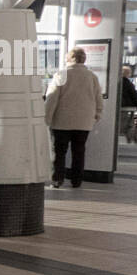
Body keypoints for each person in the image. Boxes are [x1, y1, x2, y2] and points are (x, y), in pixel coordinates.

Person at [44, 46, 103, 187]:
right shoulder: (92, 77)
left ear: (69, 58)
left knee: (59, 151)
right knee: (79, 151)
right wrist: (97, 115)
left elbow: (52, 98)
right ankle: (77, 181)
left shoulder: (61, 74)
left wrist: (47, 118)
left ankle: (57, 179)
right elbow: (98, 98)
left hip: (62, 121)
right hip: (84, 122)